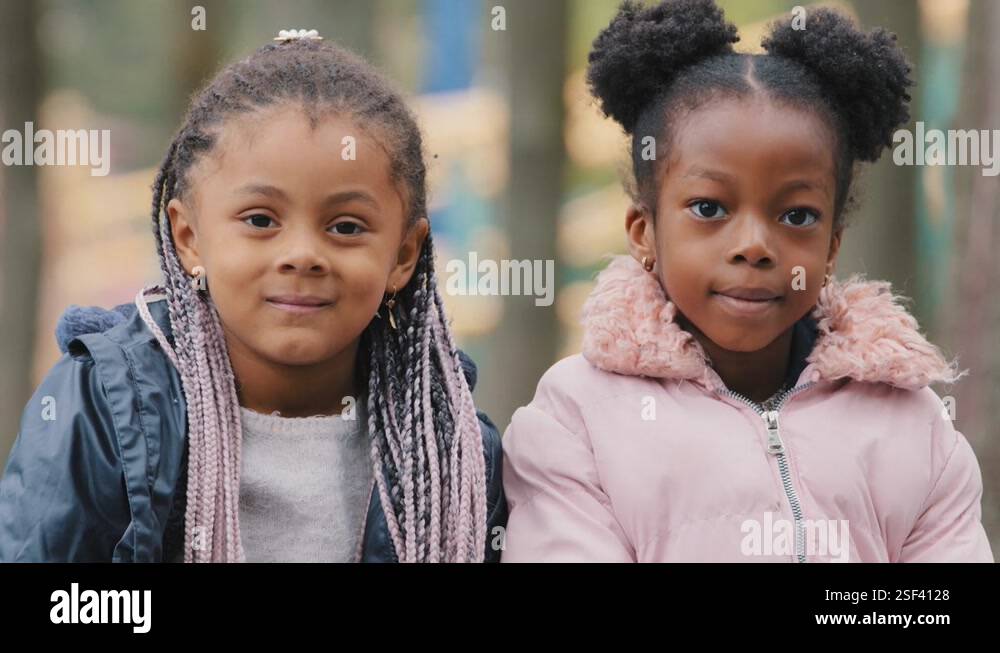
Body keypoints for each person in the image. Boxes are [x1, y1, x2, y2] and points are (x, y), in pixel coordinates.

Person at [501, 0, 992, 562]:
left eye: (798, 215)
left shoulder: (913, 423)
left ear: (832, 247)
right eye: (710, 207)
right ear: (643, 231)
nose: (754, 246)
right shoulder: (576, 418)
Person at [0, 29, 506, 563]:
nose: (303, 254)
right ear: (189, 237)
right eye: (261, 219)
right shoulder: (109, 405)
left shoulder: (451, 449)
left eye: (347, 227)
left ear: (403, 256)